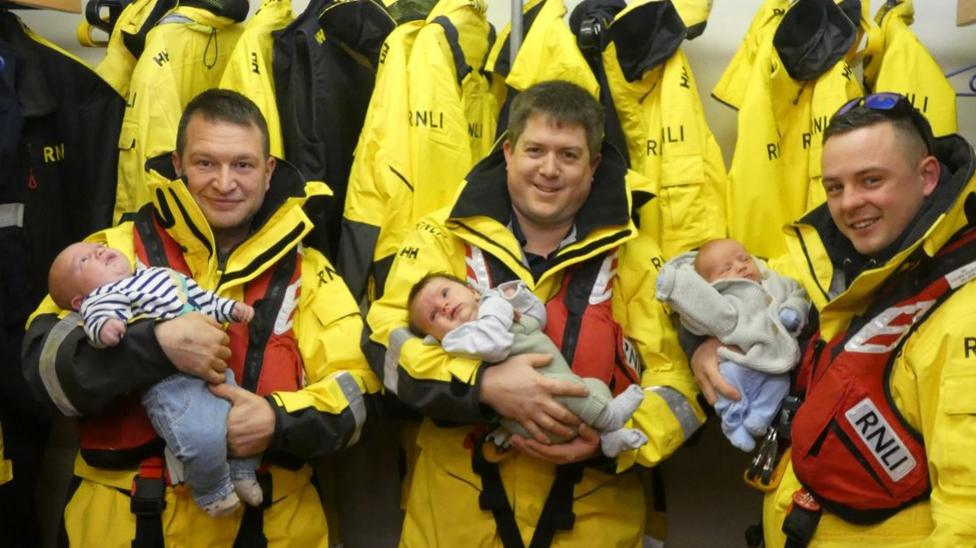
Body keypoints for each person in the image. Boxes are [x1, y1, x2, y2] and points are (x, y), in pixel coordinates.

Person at [21, 89, 381, 547]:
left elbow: (361, 393)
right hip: (121, 524)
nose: (224, 182)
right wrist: (152, 346)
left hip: (268, 528)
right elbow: (42, 374)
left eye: (243, 165)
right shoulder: (107, 252)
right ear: (178, 164)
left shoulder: (308, 272)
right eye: (206, 163)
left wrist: (276, 420)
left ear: (269, 171)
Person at [366, 80, 704, 546]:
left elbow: (679, 381)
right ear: (507, 151)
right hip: (455, 518)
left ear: (594, 165)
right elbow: (383, 341)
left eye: (568, 155)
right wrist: (481, 385)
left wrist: (614, 442)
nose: (549, 170)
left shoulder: (635, 254)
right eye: (535, 150)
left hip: (594, 516)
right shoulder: (439, 236)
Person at [690, 92, 976, 545]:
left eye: (871, 180)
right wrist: (703, 344)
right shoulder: (830, 263)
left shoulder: (964, 314)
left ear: (927, 176)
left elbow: (968, 516)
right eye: (835, 187)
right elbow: (698, 279)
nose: (848, 204)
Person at [48, 242, 262, 516]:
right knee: (201, 436)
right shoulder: (102, 296)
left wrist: (228, 308)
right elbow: (96, 320)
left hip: (215, 369)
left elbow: (199, 297)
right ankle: (214, 492)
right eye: (84, 260)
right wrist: (106, 329)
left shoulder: (161, 275)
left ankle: (242, 473)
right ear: (79, 300)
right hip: (171, 382)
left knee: (243, 417)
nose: (99, 251)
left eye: (98, 247)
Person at [406, 273, 648, 457]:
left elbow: (537, 319)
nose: (444, 307)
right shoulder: (459, 339)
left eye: (446, 294)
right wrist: (495, 305)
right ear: (436, 337)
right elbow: (493, 344)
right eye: (434, 316)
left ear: (472, 291)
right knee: (572, 390)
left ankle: (608, 438)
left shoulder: (500, 311)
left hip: (561, 404)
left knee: (592, 385)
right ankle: (609, 418)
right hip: (537, 417)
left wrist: (516, 298)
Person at [656, 238, 809, 451]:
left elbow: (797, 292)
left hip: (778, 357)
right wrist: (674, 285)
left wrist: (793, 311)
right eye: (726, 269)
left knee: (779, 383)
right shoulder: (721, 300)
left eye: (744, 259)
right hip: (740, 359)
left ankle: (758, 418)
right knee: (729, 380)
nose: (740, 266)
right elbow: (698, 307)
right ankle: (733, 422)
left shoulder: (774, 281)